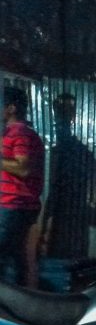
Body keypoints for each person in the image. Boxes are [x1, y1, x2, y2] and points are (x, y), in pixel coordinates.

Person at [39, 93, 96, 260]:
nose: (58, 125)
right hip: (72, 223)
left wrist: (45, 224)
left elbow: (55, 192)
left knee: (64, 268)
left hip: (69, 222)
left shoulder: (71, 155)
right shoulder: (78, 155)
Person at [1, 85, 45, 285]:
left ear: (10, 108)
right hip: (17, 207)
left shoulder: (20, 133)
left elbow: (23, 168)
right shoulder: (12, 133)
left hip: (13, 206)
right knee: (18, 262)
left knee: (6, 262)